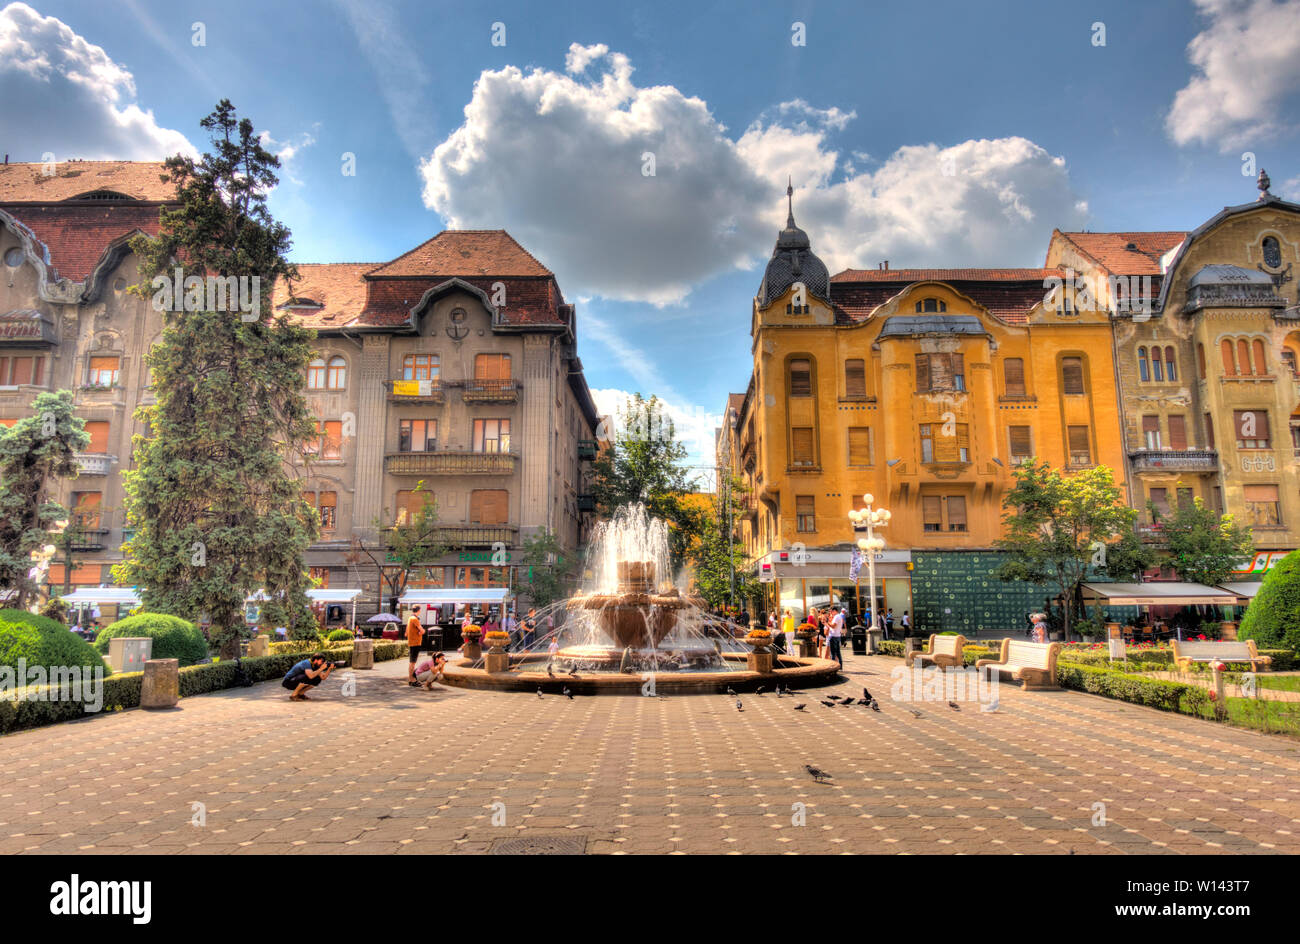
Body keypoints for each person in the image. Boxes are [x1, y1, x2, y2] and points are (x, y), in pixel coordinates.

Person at [405, 608, 425, 686]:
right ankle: (412, 680)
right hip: (415, 642)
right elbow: (422, 630)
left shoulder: (410, 618)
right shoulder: (415, 619)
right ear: (419, 611)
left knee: (412, 662)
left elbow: (406, 633)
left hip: (411, 642)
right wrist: (421, 632)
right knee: (412, 663)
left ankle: (411, 679)